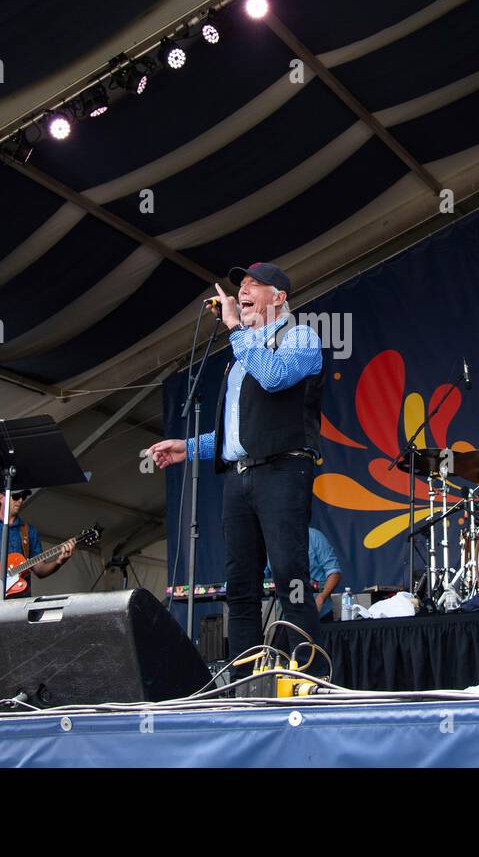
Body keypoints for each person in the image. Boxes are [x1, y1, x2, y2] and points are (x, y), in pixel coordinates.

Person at [147, 262, 325, 664]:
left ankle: (314, 681)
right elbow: (237, 435)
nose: (241, 290)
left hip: (283, 470)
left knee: (289, 579)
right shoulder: (240, 355)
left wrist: (236, 331)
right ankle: (246, 683)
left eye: (252, 285)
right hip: (239, 479)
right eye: (240, 285)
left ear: (278, 297)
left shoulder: (300, 337)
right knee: (240, 587)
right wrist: (186, 448)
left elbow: (275, 377)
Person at [265, 526, 344, 627]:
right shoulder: (271, 541)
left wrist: (321, 597)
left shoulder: (314, 536)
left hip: (319, 614)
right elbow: (263, 578)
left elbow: (334, 572)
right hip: (285, 615)